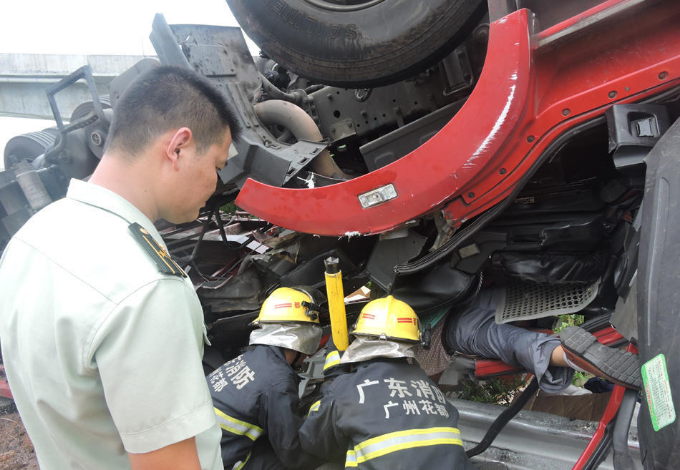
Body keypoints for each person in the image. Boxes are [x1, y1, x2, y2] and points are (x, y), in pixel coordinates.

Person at [0, 65, 241, 470]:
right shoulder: (146, 287)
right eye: (217, 165)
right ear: (178, 147)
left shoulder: (30, 241)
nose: (217, 184)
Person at [299, 296, 478, 470]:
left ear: (358, 339)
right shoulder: (429, 387)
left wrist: (330, 385)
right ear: (416, 342)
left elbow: (313, 441)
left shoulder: (347, 389)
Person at [209, 287, 325, 470]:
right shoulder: (277, 381)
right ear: (303, 339)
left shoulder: (252, 357)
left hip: (206, 450)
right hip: (222, 463)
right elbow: (292, 450)